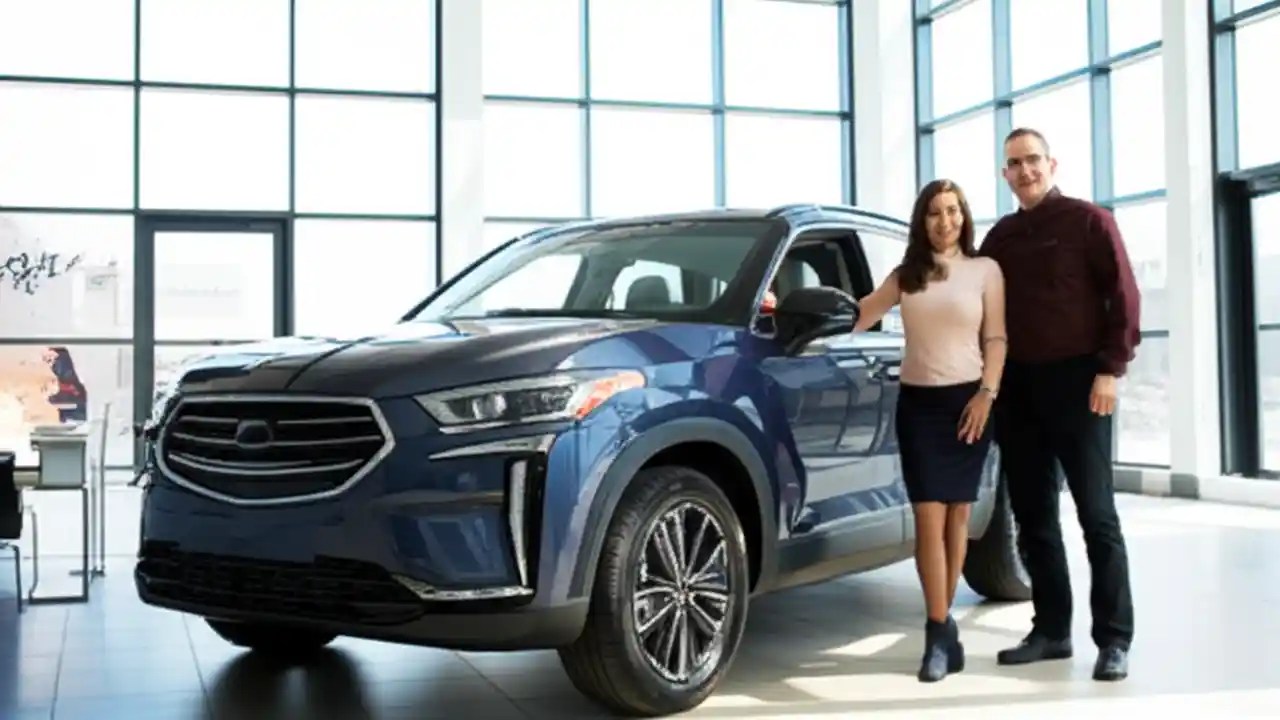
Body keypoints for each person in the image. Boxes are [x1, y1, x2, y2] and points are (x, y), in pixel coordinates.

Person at [979, 127, 1140, 682]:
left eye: (1032, 161)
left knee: (1097, 515)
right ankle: (1051, 630)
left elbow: (1124, 297)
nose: (1024, 171)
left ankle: (1114, 639)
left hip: (1081, 384)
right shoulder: (999, 239)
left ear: (1052, 163)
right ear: (1004, 175)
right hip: (1018, 389)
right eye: (1013, 165)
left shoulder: (1090, 222)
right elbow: (966, 293)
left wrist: (1109, 370)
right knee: (1033, 518)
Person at [855, 178, 1007, 682]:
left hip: (968, 403)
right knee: (927, 516)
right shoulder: (908, 275)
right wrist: (781, 307)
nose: (946, 221)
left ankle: (946, 632)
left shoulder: (986, 270)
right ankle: (937, 630)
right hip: (918, 406)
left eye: (953, 211)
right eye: (935, 213)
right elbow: (861, 315)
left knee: (957, 516)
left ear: (964, 216)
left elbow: (997, 338)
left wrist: (987, 395)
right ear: (922, 222)